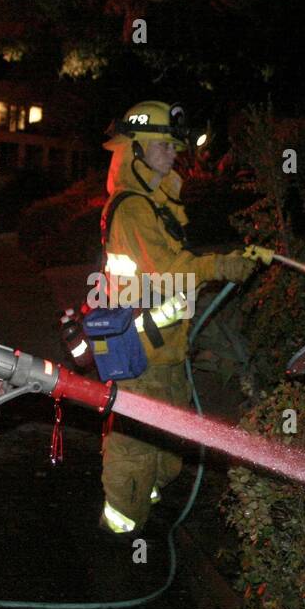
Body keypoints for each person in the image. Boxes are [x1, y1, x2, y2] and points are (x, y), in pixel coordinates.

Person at [96, 101, 269, 536]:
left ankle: (146, 512)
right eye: (163, 144)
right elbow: (168, 270)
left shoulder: (158, 205)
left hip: (166, 346)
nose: (173, 153)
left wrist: (228, 260)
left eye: (175, 145)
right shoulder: (134, 208)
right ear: (134, 149)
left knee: (164, 441)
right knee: (135, 443)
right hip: (139, 351)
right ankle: (120, 530)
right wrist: (219, 267)